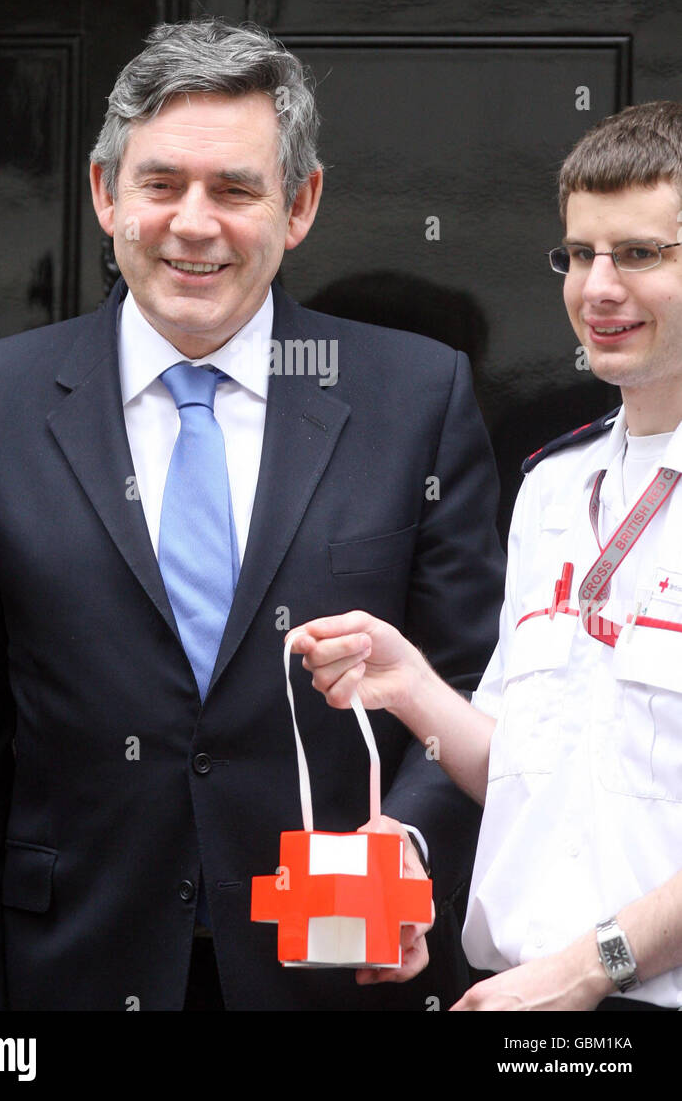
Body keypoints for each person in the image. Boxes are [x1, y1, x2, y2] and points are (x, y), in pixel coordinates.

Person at [0, 18, 504, 1011]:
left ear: (298, 204)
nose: (192, 223)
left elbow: (471, 682)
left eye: (234, 189)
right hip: (70, 969)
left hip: (338, 968)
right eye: (160, 183)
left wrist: (411, 846)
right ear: (104, 192)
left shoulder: (412, 394)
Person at [292, 99, 682, 1011]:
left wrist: (587, 970)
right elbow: (520, 767)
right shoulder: (553, 486)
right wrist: (411, 684)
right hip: (519, 999)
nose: (597, 288)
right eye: (578, 254)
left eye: (637, 253)